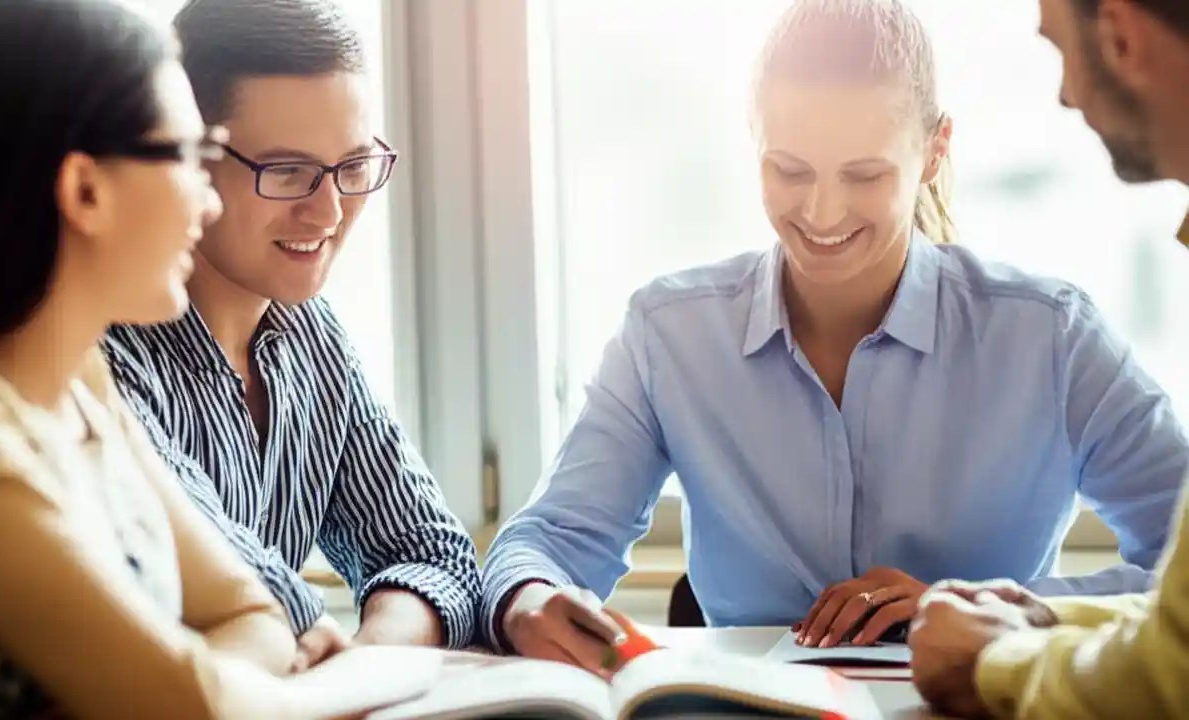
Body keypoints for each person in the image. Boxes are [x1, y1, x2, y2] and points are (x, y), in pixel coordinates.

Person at [480, 0, 1189, 674]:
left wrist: (1004, 611)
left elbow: (1176, 557)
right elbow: (548, 541)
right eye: (789, 169)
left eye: (865, 173)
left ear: (934, 152)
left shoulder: (1051, 337)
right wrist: (530, 600)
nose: (822, 211)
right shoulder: (667, 334)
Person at [0, 1, 445, 718]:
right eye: (190, 157)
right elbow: (192, 694)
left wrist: (202, 685)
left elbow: (244, 622)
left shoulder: (78, 385)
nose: (208, 200)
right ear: (85, 191)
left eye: (351, 167)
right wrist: (349, 681)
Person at [102, 0, 480, 665]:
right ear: (193, 160)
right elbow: (240, 592)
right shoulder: (100, 347)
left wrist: (367, 661)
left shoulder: (312, 333)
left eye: (353, 166)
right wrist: (334, 656)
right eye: (288, 172)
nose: (329, 210)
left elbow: (435, 556)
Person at [909, 0, 1189, 716]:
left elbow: (1169, 673)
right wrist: (1041, 617)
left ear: (1121, 38)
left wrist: (999, 658)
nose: (1066, 94)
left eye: (1061, 50)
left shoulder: (1049, 327)